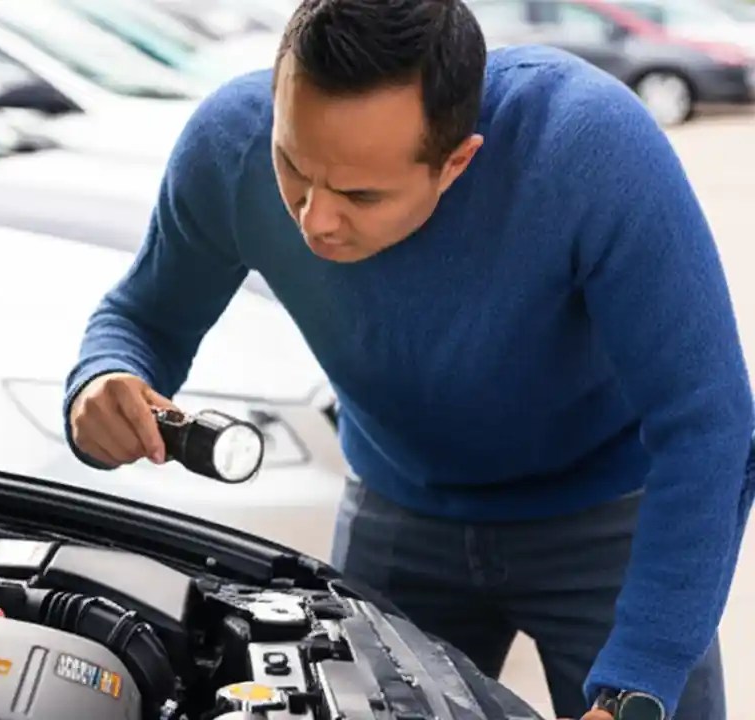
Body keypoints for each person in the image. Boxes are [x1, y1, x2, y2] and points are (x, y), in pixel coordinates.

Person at [61, 0, 754, 718]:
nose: (314, 219)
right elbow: (142, 318)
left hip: (608, 523)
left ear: (457, 162)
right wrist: (104, 380)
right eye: (292, 166)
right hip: (398, 515)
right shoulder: (229, 142)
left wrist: (641, 682)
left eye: (360, 193)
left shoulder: (588, 147)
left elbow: (709, 425)